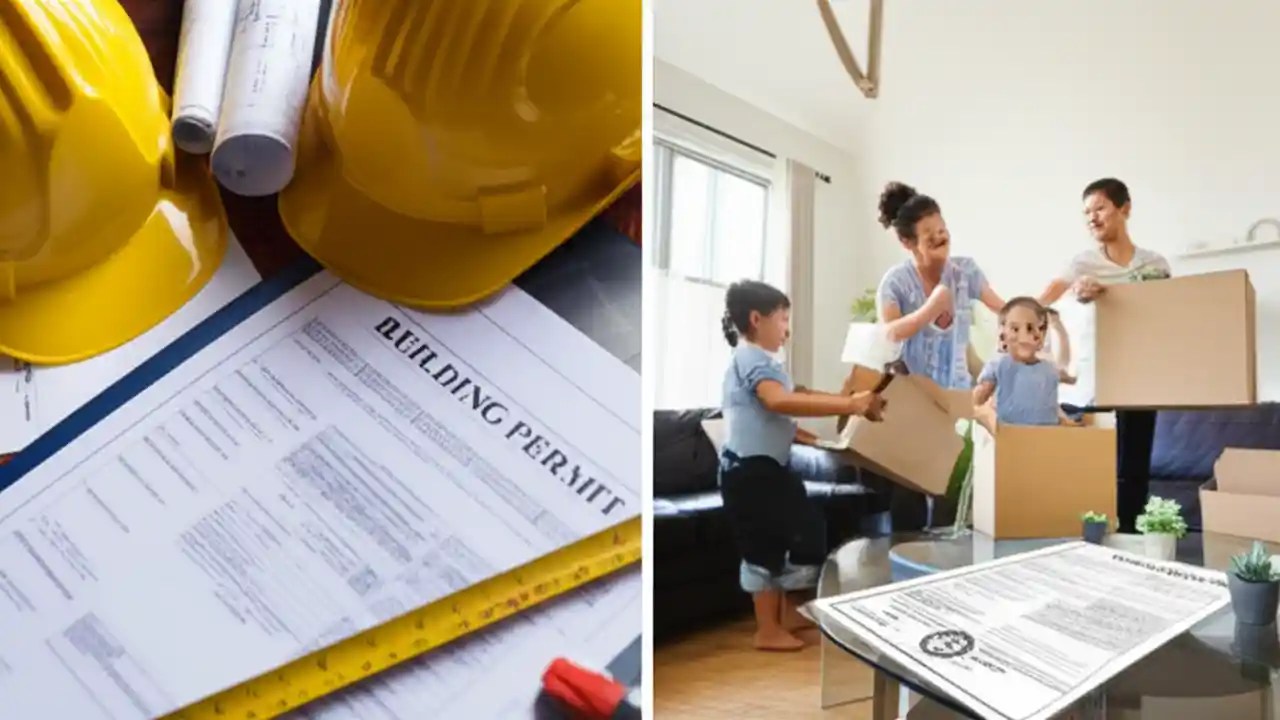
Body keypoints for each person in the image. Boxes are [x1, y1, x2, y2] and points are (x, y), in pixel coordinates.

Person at [719, 279, 887, 651]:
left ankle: (789, 614)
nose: (787, 329)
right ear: (756, 319)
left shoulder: (765, 363)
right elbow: (778, 402)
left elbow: (784, 411)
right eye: (782, 319)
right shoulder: (749, 358)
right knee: (763, 546)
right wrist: (851, 404)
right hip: (748, 473)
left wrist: (824, 433)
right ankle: (767, 630)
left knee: (800, 531)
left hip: (771, 469)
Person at [1037, 177, 1172, 532]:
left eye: (1099, 208)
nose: (1092, 218)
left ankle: (1131, 535)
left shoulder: (1154, 264)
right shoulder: (1081, 264)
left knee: (1135, 466)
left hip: (1141, 376)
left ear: (1124, 208)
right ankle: (1092, 535)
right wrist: (1075, 296)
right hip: (1095, 377)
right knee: (1097, 464)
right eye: (1086, 213)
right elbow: (1040, 302)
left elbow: (1166, 313)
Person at [873, 182, 1006, 390]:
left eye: (942, 230)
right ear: (907, 242)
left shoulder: (965, 271)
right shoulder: (895, 282)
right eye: (929, 234)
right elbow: (889, 334)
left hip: (957, 394)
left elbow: (1003, 309)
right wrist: (930, 308)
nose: (939, 237)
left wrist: (1039, 308)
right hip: (913, 392)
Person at [973, 297, 1077, 428]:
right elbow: (976, 401)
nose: (1024, 337)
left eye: (1031, 329)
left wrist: (1064, 420)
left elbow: (1050, 403)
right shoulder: (999, 365)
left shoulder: (1049, 370)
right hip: (1009, 434)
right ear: (1003, 334)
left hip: (1046, 435)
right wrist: (984, 414)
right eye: (1015, 329)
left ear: (1042, 337)